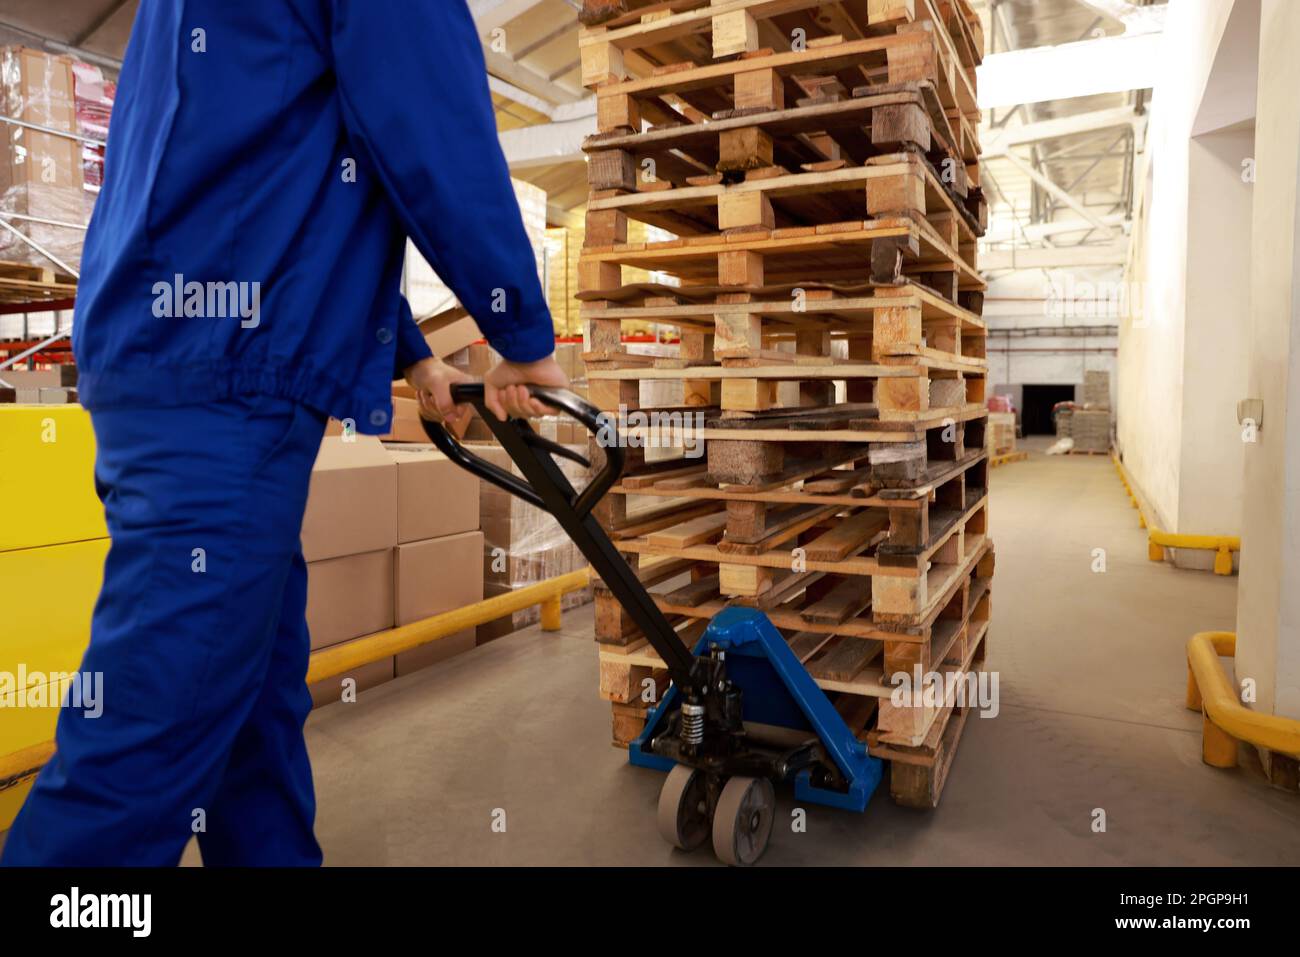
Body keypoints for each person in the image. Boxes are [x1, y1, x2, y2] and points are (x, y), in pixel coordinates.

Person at [1, 1, 567, 866]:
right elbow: (424, 123)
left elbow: (294, 164)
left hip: (175, 355)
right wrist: (520, 331)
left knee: (251, 709)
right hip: (222, 375)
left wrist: (413, 356)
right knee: (142, 752)